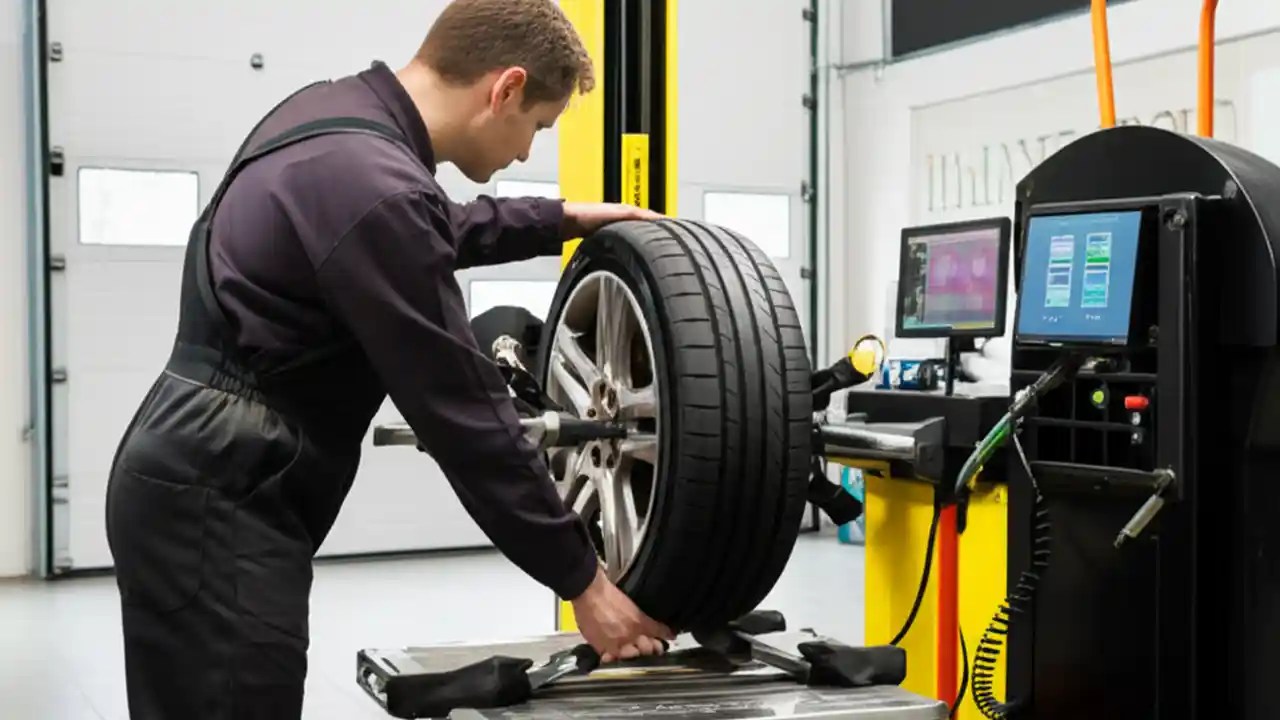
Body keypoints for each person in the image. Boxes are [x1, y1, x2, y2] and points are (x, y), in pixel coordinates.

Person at [103, 1, 674, 717]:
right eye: (537, 126)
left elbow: (428, 226)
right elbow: (466, 415)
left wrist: (562, 219)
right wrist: (584, 584)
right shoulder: (380, 190)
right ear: (504, 88)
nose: (527, 152)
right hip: (220, 499)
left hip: (194, 471)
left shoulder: (333, 116)